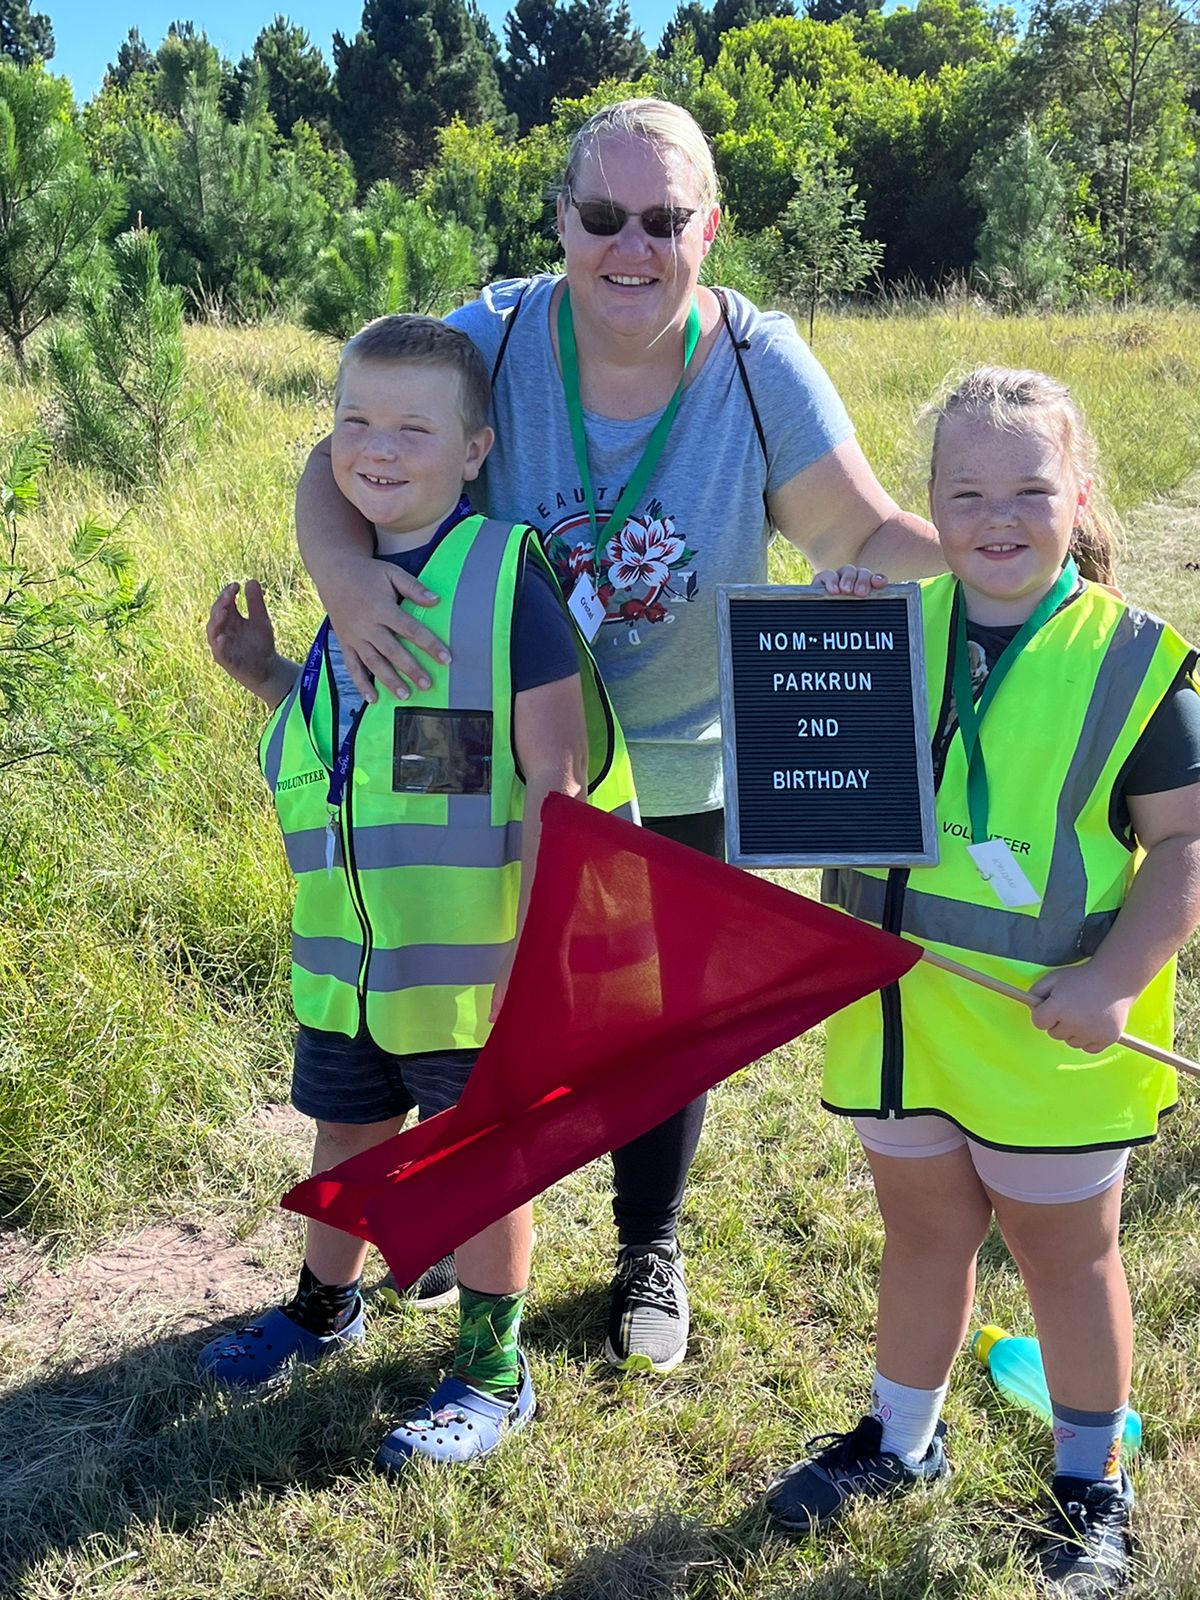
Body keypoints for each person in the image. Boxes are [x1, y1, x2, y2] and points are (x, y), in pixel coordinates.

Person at [292, 98, 943, 1375]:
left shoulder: (758, 362)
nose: (628, 247)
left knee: (658, 1024)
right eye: (602, 217)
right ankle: (450, 1220)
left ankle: (649, 1244)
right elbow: (349, 449)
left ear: (711, 226)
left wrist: (1011, 569)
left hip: (688, 749)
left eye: (662, 218)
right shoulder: (497, 332)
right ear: (563, 222)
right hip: (473, 733)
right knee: (460, 984)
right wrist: (343, 581)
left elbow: (858, 532)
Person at [764, 367, 1200, 1595]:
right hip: (901, 1016)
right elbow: (815, 782)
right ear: (931, 507)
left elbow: (1185, 843)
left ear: (1080, 496)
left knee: (1068, 1260)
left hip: (1051, 1039)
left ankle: (1089, 1482)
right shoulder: (896, 623)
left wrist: (1116, 978)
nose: (996, 519)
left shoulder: (1130, 664)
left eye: (1027, 490)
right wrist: (830, 628)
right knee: (921, 1235)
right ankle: (901, 1441)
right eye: (966, 494)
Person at [200, 315, 637, 1468]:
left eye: (411, 426)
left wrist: (539, 960)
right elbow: (398, 752)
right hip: (349, 966)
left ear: (476, 448)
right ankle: (323, 1305)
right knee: (344, 1130)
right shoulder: (352, 589)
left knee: (478, 1153)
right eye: (353, 422)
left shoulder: (503, 582)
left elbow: (555, 780)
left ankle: (493, 1365)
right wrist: (270, 677)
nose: (376, 448)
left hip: (475, 976)